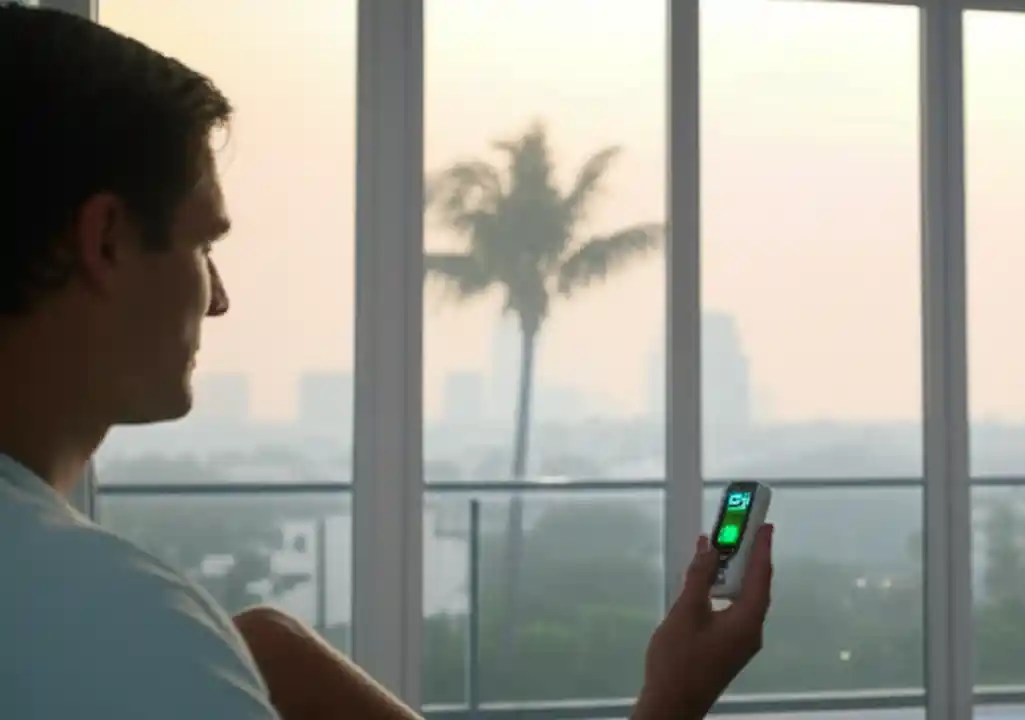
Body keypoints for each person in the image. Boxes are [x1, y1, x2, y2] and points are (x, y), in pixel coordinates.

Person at [0, 5, 774, 719]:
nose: (219, 300)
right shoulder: (115, 625)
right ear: (104, 241)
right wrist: (673, 700)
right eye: (205, 244)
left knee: (272, 645)